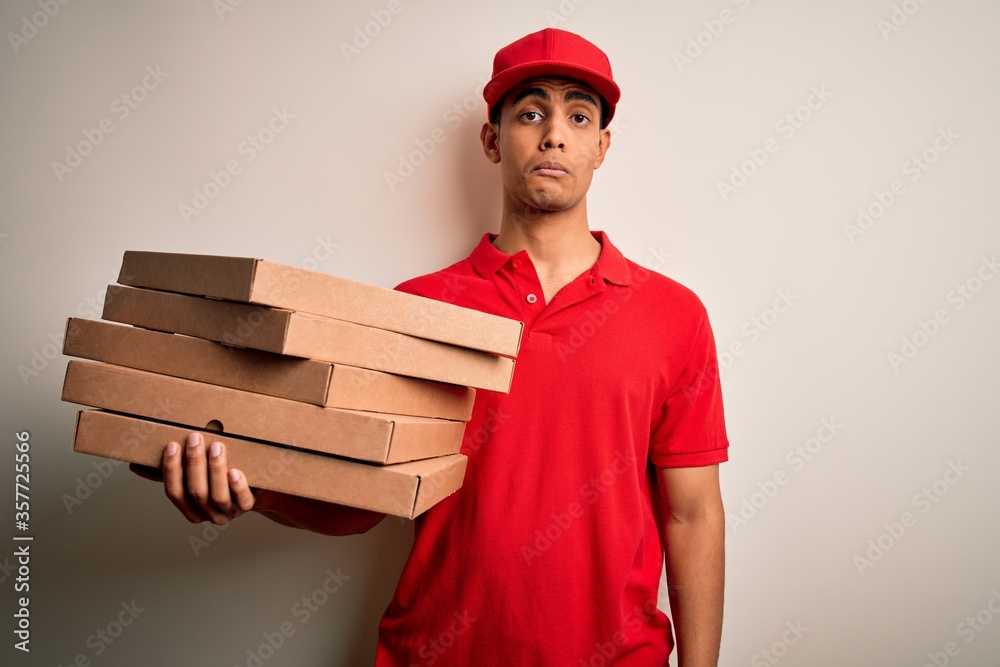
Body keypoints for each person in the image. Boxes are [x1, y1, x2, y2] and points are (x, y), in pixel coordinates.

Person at [145, 28, 729, 667]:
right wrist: (247, 487)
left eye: (578, 116)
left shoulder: (674, 316)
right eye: (530, 112)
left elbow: (692, 517)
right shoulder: (417, 309)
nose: (553, 133)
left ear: (601, 146)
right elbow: (362, 501)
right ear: (491, 138)